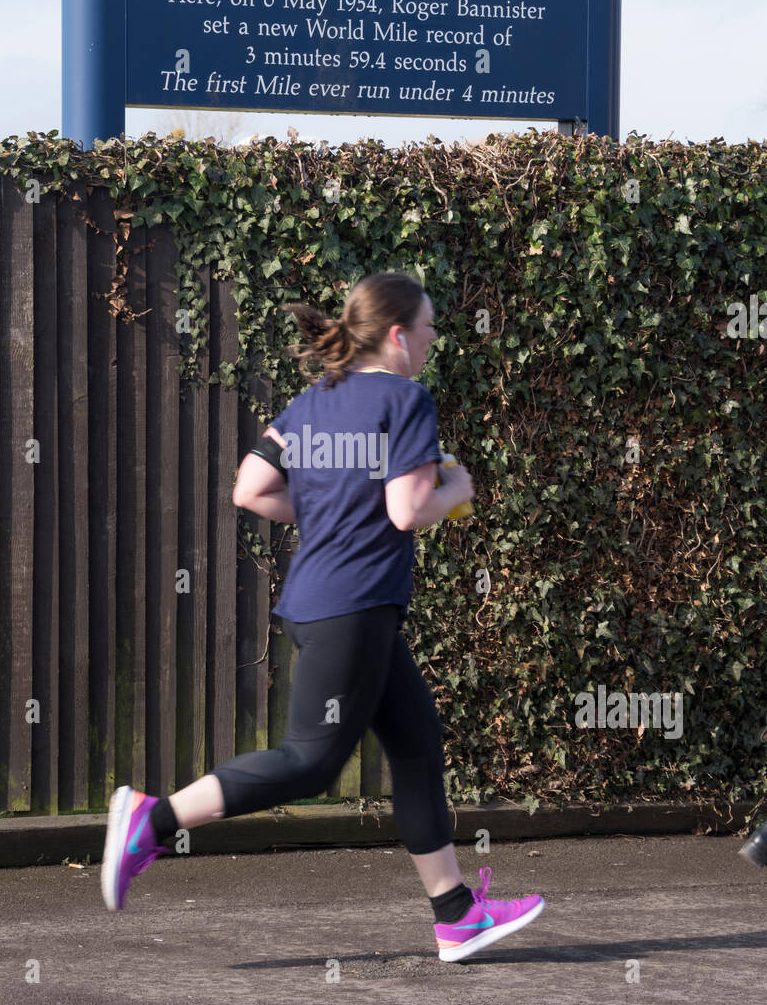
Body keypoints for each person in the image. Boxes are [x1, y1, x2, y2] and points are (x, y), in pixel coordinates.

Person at [101, 271, 545, 961]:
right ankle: (151, 820)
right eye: (427, 327)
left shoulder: (313, 402)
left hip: (328, 601)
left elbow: (249, 490)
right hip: (355, 604)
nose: (432, 339)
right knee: (309, 762)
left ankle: (457, 914)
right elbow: (406, 511)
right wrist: (456, 489)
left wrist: (333, 512)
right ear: (398, 336)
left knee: (417, 746)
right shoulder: (406, 399)